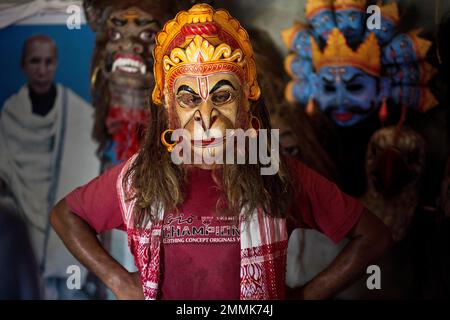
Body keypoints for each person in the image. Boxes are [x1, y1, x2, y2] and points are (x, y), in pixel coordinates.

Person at [50, 4, 392, 300]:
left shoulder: (277, 173)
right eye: (189, 98)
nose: (206, 114)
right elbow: (66, 215)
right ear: (170, 109)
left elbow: (373, 237)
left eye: (223, 95)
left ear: (246, 102)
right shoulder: (138, 177)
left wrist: (305, 295)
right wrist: (119, 281)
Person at [0, 34, 100, 299]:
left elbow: (89, 171)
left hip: (64, 233)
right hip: (23, 219)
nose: (42, 70)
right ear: (23, 65)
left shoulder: (79, 115)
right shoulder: (9, 115)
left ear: (55, 64)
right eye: (35, 62)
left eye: (48, 62)